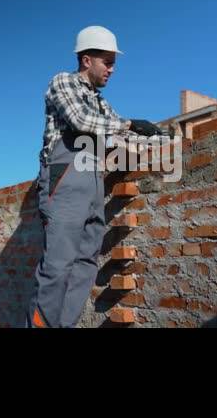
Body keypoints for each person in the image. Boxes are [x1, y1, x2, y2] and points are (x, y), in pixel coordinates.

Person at [27, 26, 164, 328]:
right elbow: (80, 120)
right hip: (65, 176)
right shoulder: (63, 82)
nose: (112, 70)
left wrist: (160, 139)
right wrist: (129, 123)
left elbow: (117, 132)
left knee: (86, 262)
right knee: (58, 264)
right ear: (87, 60)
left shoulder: (101, 102)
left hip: (91, 181)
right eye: (108, 62)